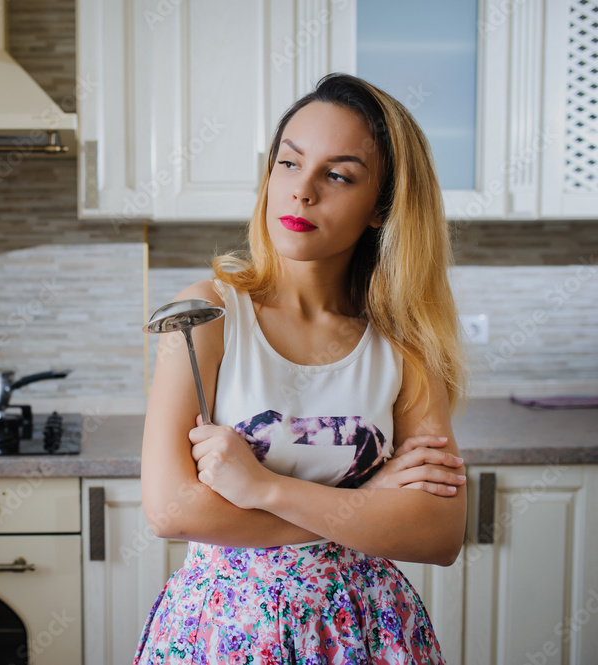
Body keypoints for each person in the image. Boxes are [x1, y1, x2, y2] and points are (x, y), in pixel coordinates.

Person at [134, 73, 469, 664]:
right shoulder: (206, 315)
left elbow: (438, 534)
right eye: (289, 164)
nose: (302, 191)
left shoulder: (405, 342)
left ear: (380, 207)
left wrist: (263, 489)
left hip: (365, 632)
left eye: (338, 175)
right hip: (222, 631)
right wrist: (365, 503)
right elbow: (171, 510)